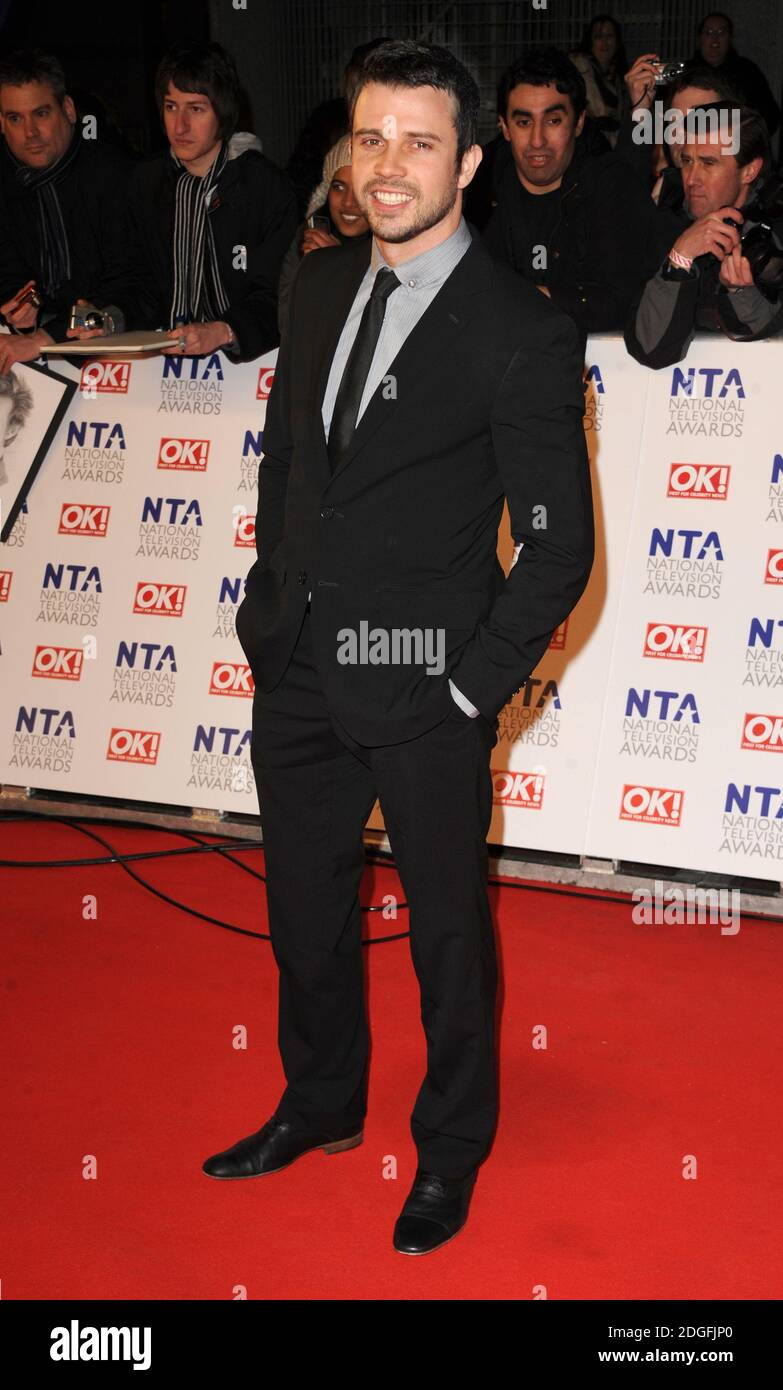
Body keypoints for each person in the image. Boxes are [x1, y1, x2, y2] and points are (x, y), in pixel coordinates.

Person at [205, 38, 594, 1256]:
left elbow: (560, 548)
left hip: (430, 685)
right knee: (302, 910)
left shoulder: (522, 329)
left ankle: (450, 1148)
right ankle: (319, 1103)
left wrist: (472, 687)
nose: (388, 165)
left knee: (443, 934)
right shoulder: (317, 284)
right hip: (301, 665)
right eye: (371, 137)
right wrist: (273, 609)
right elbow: (295, 468)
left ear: (470, 161)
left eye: (419, 141)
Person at [89, 41, 298, 363]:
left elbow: (279, 293)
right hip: (162, 364)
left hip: (254, 364)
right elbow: (138, 283)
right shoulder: (144, 183)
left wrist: (224, 330)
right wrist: (109, 318)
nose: (180, 125)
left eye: (196, 109)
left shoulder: (265, 187)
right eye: (171, 107)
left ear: (223, 112)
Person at [481, 47, 654, 343]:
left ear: (579, 122)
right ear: (504, 127)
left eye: (553, 121)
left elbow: (621, 298)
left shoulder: (608, 184)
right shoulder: (475, 190)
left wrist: (524, 298)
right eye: (524, 122)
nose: (537, 141)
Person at [0, 48, 131, 375]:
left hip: (119, 363)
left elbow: (132, 284)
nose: (29, 132)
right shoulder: (5, 185)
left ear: (68, 110)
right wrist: (22, 306)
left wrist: (47, 335)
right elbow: (8, 274)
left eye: (41, 113)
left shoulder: (115, 176)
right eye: (15, 118)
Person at [625, 104, 783, 369]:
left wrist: (740, 291)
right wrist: (680, 257)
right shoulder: (659, 222)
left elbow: (767, 340)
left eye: (709, 163)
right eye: (687, 161)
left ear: (750, 171)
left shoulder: (774, 230)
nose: (692, 179)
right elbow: (651, 348)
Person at [277, 134, 371, 339]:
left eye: (361, 188)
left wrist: (340, 267)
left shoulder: (398, 246)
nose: (348, 202)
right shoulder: (310, 235)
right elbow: (288, 326)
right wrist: (315, 272)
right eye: (339, 187)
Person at [686, 12, 780, 136]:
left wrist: (745, 142)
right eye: (708, 32)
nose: (715, 38)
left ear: (729, 38)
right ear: (700, 38)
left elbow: (769, 115)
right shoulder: (687, 72)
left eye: (721, 32)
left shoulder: (748, 71)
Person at [569, 13, 628, 147]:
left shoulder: (619, 76)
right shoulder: (579, 66)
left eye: (609, 36)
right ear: (590, 41)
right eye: (598, 37)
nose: (604, 42)